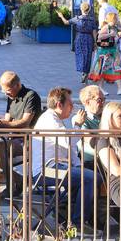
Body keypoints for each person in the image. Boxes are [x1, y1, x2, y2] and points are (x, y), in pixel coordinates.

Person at [31, 86, 96, 216]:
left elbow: (68, 148)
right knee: (91, 178)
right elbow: (67, 142)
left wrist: (77, 164)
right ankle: (79, 221)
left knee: (87, 175)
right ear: (60, 105)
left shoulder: (55, 119)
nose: (72, 107)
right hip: (47, 169)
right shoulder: (50, 119)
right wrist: (77, 125)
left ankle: (65, 209)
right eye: (70, 104)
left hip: (55, 166)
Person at [55, 0, 96, 83]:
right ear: (89, 9)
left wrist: (61, 16)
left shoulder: (77, 19)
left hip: (80, 38)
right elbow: (94, 32)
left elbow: (66, 22)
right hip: (89, 38)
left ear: (81, 9)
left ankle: (82, 71)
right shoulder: (92, 20)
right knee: (88, 56)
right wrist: (95, 42)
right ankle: (86, 72)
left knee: (80, 55)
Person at [88, 8, 121, 95]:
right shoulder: (106, 27)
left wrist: (119, 24)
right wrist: (110, 34)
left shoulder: (115, 26)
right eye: (116, 18)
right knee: (103, 70)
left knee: (116, 68)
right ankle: (101, 89)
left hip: (112, 51)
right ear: (112, 19)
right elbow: (99, 37)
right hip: (105, 52)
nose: (117, 19)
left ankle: (120, 88)